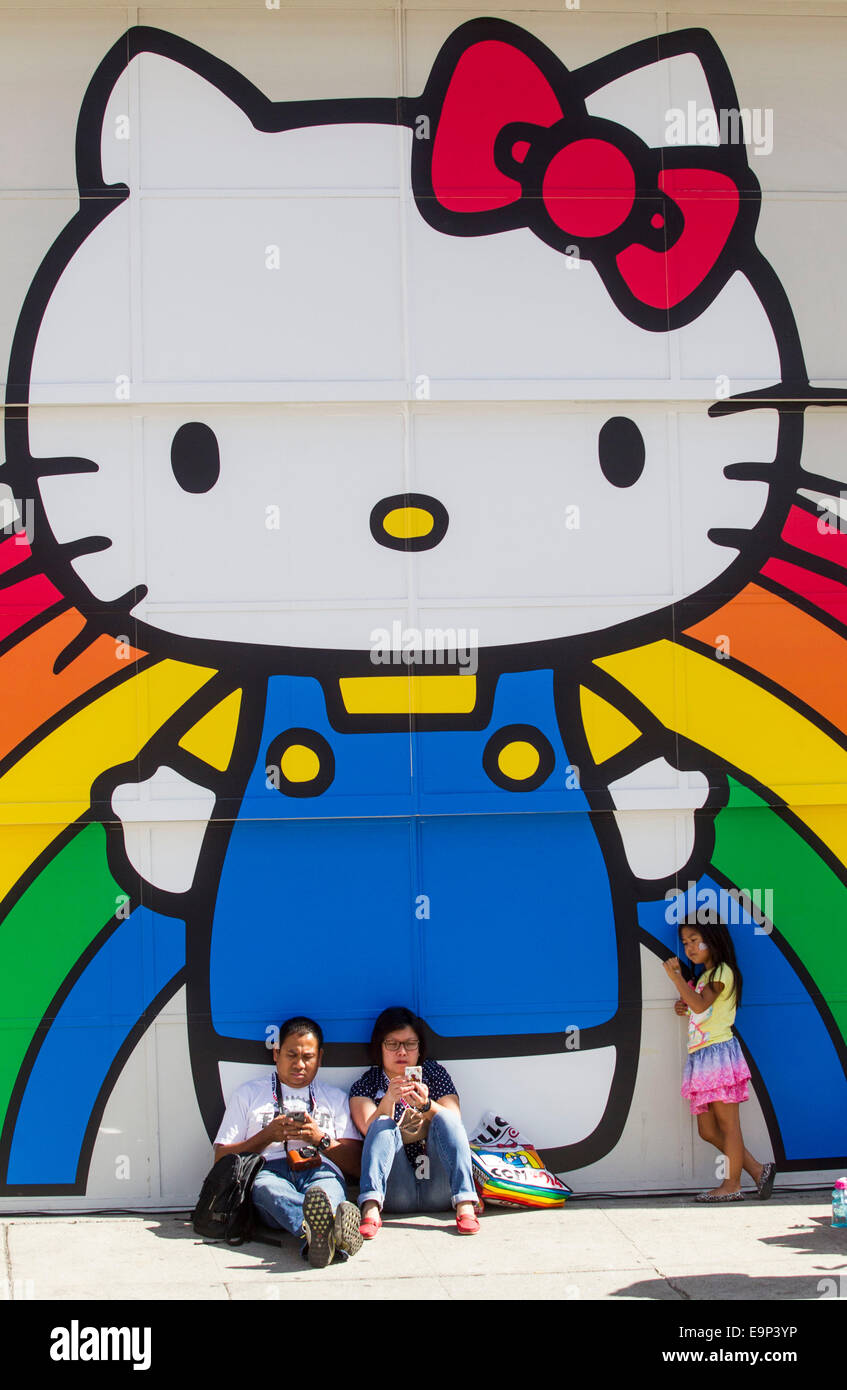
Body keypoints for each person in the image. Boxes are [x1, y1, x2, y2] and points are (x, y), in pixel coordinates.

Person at [213, 1015, 363, 1266]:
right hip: (268, 1170)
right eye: (291, 1055)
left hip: (321, 1170)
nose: (300, 1064)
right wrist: (267, 1136)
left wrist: (321, 1139)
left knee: (325, 1196)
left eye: (308, 1057)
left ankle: (315, 1236)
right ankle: (329, 1233)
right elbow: (220, 1159)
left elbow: (357, 1165)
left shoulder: (335, 1097)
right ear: (276, 1054)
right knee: (267, 1190)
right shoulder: (249, 1094)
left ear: (320, 1057)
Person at [663, 920, 775, 1203]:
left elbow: (701, 1005)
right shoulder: (703, 977)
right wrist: (684, 1005)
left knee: (728, 1126)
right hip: (700, 1056)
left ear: (711, 939)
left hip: (719, 1055)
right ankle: (757, 1169)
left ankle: (731, 1184)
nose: (689, 947)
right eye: (685, 942)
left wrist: (677, 978)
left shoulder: (723, 972)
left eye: (694, 940)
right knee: (708, 1130)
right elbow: (699, 1008)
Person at [349, 1006, 481, 1236]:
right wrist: (388, 1100)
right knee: (381, 1123)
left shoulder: (434, 1073)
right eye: (392, 1044)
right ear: (379, 1048)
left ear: (419, 1048)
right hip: (395, 1191)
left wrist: (426, 1105)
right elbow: (367, 1129)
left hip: (440, 1187)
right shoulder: (366, 1084)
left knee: (446, 1119)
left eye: (410, 1044)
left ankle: (465, 1205)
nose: (402, 1051)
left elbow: (454, 1120)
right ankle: (370, 1208)